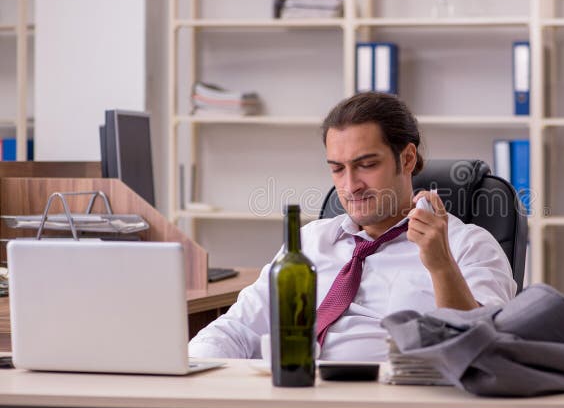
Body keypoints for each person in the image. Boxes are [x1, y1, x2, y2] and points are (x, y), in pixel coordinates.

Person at [189, 92, 517, 361]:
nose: (350, 185)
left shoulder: (467, 245)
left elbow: (484, 353)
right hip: (294, 396)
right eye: (337, 169)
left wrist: (442, 266)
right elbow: (237, 328)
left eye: (366, 165)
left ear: (407, 159)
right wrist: (193, 371)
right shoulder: (309, 242)